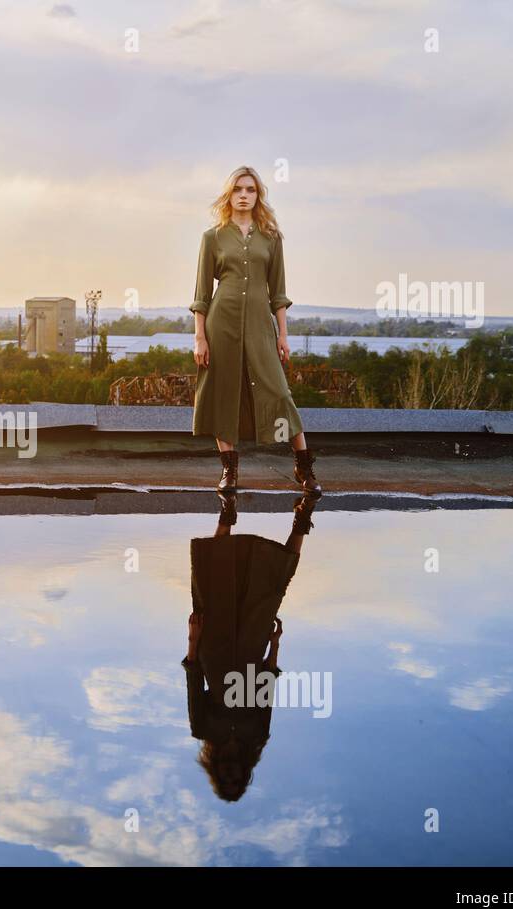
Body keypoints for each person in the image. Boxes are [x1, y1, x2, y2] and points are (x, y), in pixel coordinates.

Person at [189, 165, 322, 496]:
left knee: (278, 393)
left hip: (262, 327)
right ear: (229, 195)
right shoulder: (212, 238)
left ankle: (304, 469)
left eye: (250, 190)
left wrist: (283, 334)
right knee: (222, 394)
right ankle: (229, 472)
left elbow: (278, 292)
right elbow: (201, 294)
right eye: (238, 190)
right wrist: (200, 336)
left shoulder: (271, 238)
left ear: (258, 196)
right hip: (222, 325)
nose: (244, 195)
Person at [182, 493, 317, 801]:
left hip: (213, 650)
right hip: (250, 648)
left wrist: (193, 639)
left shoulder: (202, 729)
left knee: (211, 580)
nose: (231, 776)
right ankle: (303, 517)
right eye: (237, 781)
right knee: (274, 587)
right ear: (244, 775)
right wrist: (274, 645)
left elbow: (193, 682)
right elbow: (266, 685)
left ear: (217, 774)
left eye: (225, 780)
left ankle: (227, 513)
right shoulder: (257, 734)